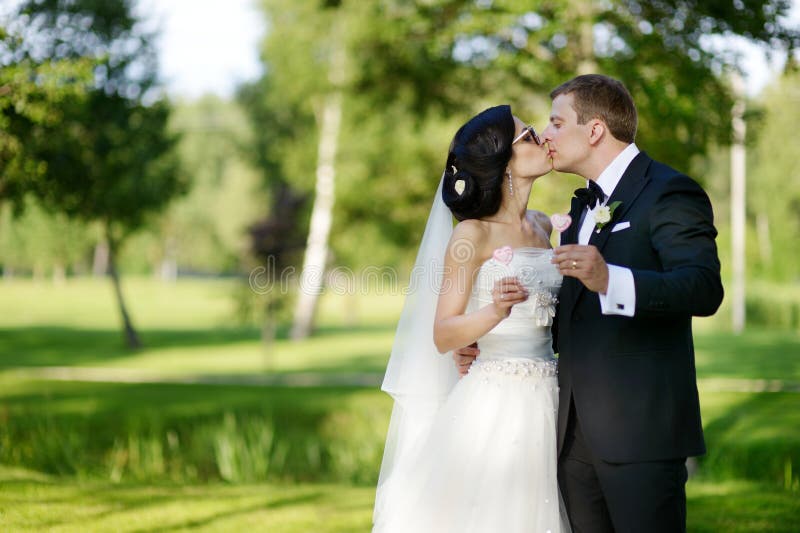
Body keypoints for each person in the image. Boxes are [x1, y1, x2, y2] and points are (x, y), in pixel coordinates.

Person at [455, 75, 723, 532]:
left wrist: (610, 279)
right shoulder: (581, 207)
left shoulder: (669, 192)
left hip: (640, 433)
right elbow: (569, 310)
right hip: (568, 435)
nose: (547, 134)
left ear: (594, 130)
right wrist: (493, 337)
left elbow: (702, 288)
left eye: (557, 123)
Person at [373, 105, 571, 533]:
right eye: (529, 136)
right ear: (504, 164)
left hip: (551, 393)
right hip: (497, 401)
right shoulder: (471, 236)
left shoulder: (542, 226)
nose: (542, 139)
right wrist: (495, 310)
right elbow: (444, 334)